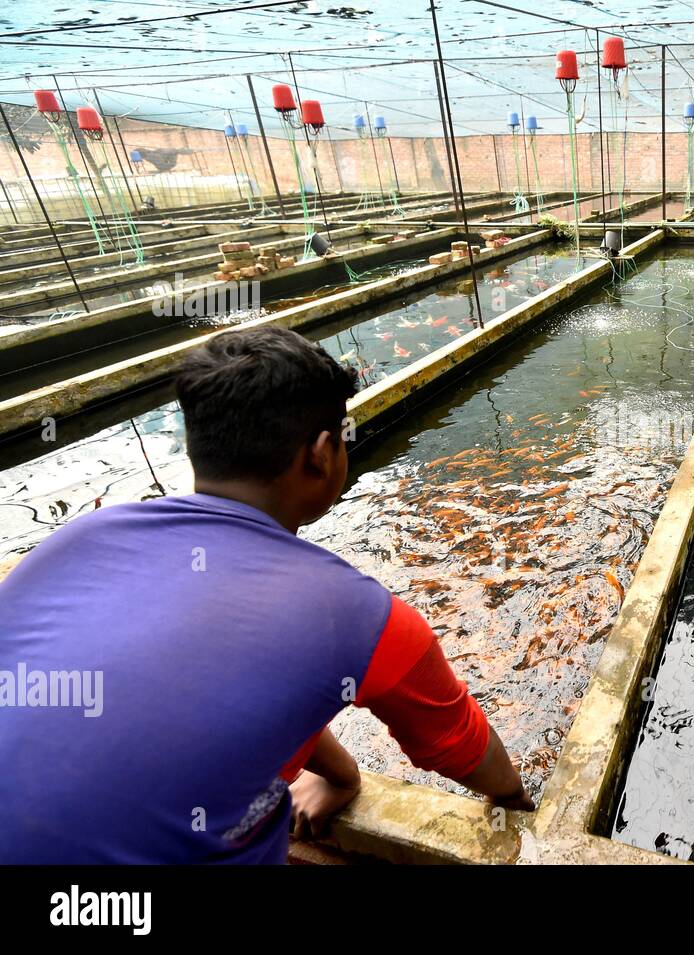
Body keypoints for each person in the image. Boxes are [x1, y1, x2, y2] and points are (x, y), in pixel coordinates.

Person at [0, 326, 532, 864]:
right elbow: (462, 748)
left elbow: (207, 682)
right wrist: (515, 802)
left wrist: (342, 775)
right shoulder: (358, 614)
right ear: (323, 455)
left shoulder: (84, 537)